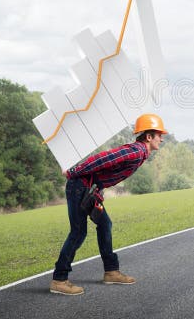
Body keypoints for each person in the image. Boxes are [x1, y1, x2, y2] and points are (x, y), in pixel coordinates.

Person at [50, 113, 168, 295]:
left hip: (89, 189)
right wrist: (73, 172)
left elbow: (106, 171)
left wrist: (98, 190)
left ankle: (111, 272)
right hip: (79, 186)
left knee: (105, 224)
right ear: (149, 136)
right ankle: (59, 279)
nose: (162, 138)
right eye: (159, 135)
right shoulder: (136, 151)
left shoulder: (141, 153)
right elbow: (103, 159)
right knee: (78, 232)